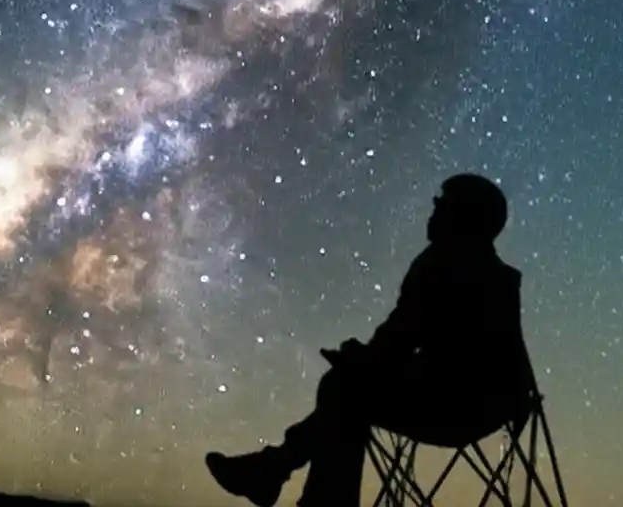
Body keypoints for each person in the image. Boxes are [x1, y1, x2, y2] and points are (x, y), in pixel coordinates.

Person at [205, 173, 537, 507]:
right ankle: (274, 469)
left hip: (455, 406)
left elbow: (399, 341)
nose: (433, 209)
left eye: (442, 204)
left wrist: (358, 359)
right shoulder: (492, 272)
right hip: (488, 407)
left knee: (343, 389)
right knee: (347, 389)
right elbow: (449, 352)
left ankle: (291, 481)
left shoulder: (443, 265)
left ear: (462, 216)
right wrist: (368, 359)